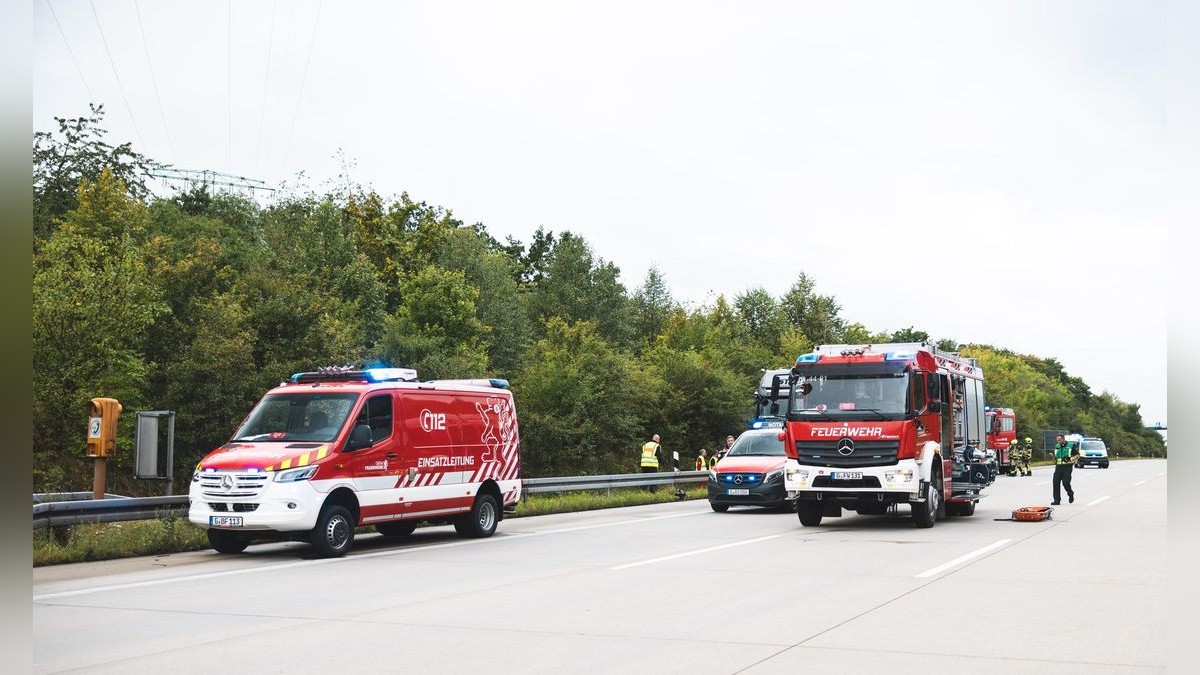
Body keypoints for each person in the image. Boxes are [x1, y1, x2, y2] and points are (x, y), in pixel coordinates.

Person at [1051, 433, 1079, 505]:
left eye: (1059, 440)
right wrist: (1053, 457)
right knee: (1055, 483)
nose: (1058, 442)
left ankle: (1070, 493)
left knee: (1065, 483)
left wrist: (1070, 458)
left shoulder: (1071, 446)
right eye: (1057, 440)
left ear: (1063, 439)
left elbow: (1078, 455)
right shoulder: (1057, 446)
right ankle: (1057, 500)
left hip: (1067, 467)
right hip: (1058, 467)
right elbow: (1056, 457)